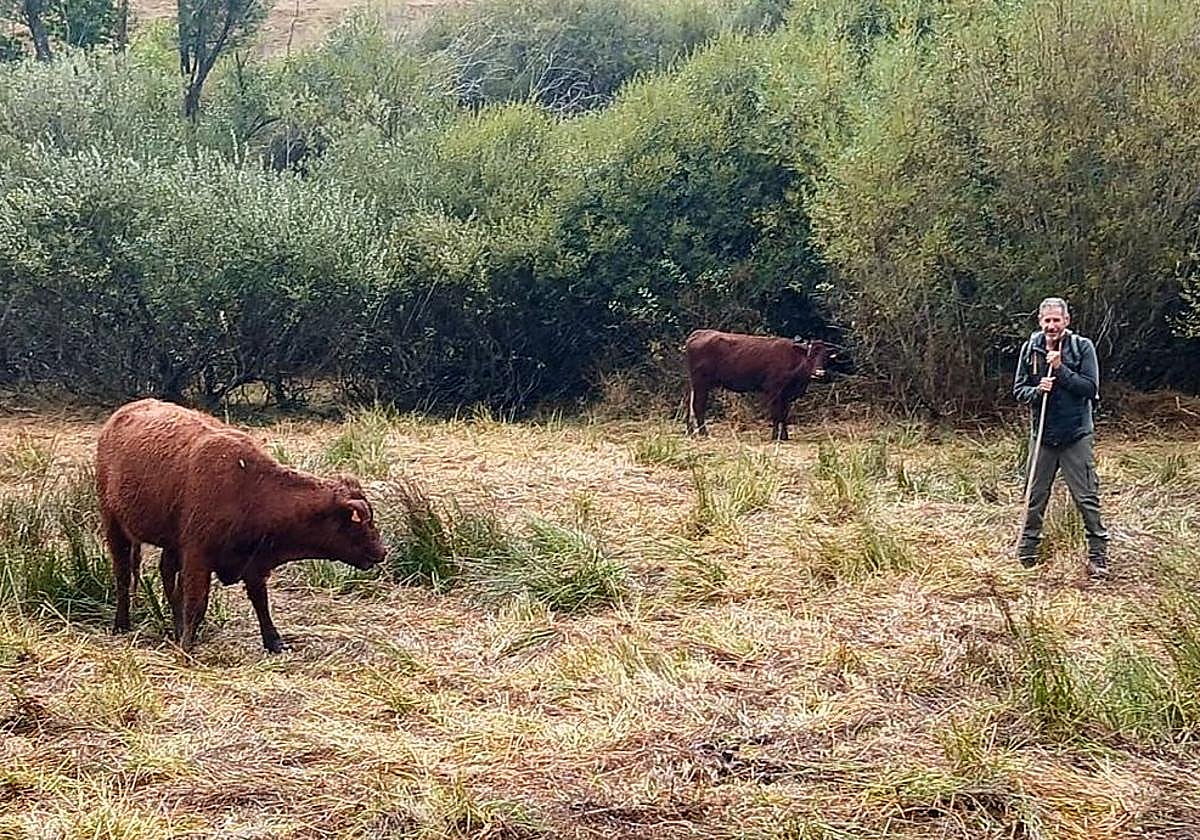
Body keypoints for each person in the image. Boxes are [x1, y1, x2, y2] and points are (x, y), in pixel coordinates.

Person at [1013, 297, 1110, 578]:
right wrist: (1036, 391)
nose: (1051, 326)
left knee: (1086, 497)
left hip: (1075, 435)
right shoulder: (1030, 349)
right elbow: (1019, 389)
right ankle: (1027, 555)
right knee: (1034, 496)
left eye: (1057, 320)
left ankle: (1097, 555)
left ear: (1066, 321)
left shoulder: (1082, 347)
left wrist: (1060, 370)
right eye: (1047, 320)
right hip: (1042, 435)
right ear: (1040, 322)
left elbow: (1090, 389)